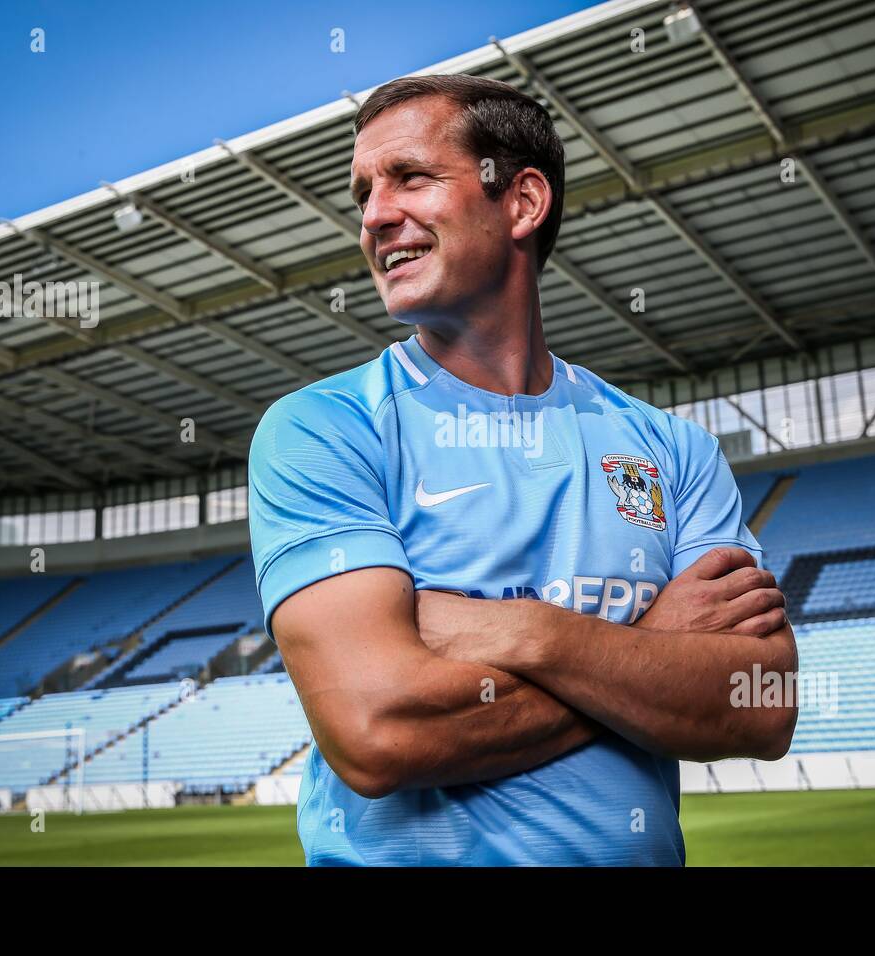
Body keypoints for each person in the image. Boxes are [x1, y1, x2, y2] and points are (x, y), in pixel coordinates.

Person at [248, 74, 797, 865]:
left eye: (410, 177)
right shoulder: (323, 430)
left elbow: (762, 704)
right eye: (363, 193)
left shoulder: (672, 448)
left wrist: (529, 634)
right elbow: (379, 733)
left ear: (522, 202)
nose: (373, 216)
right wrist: (649, 650)